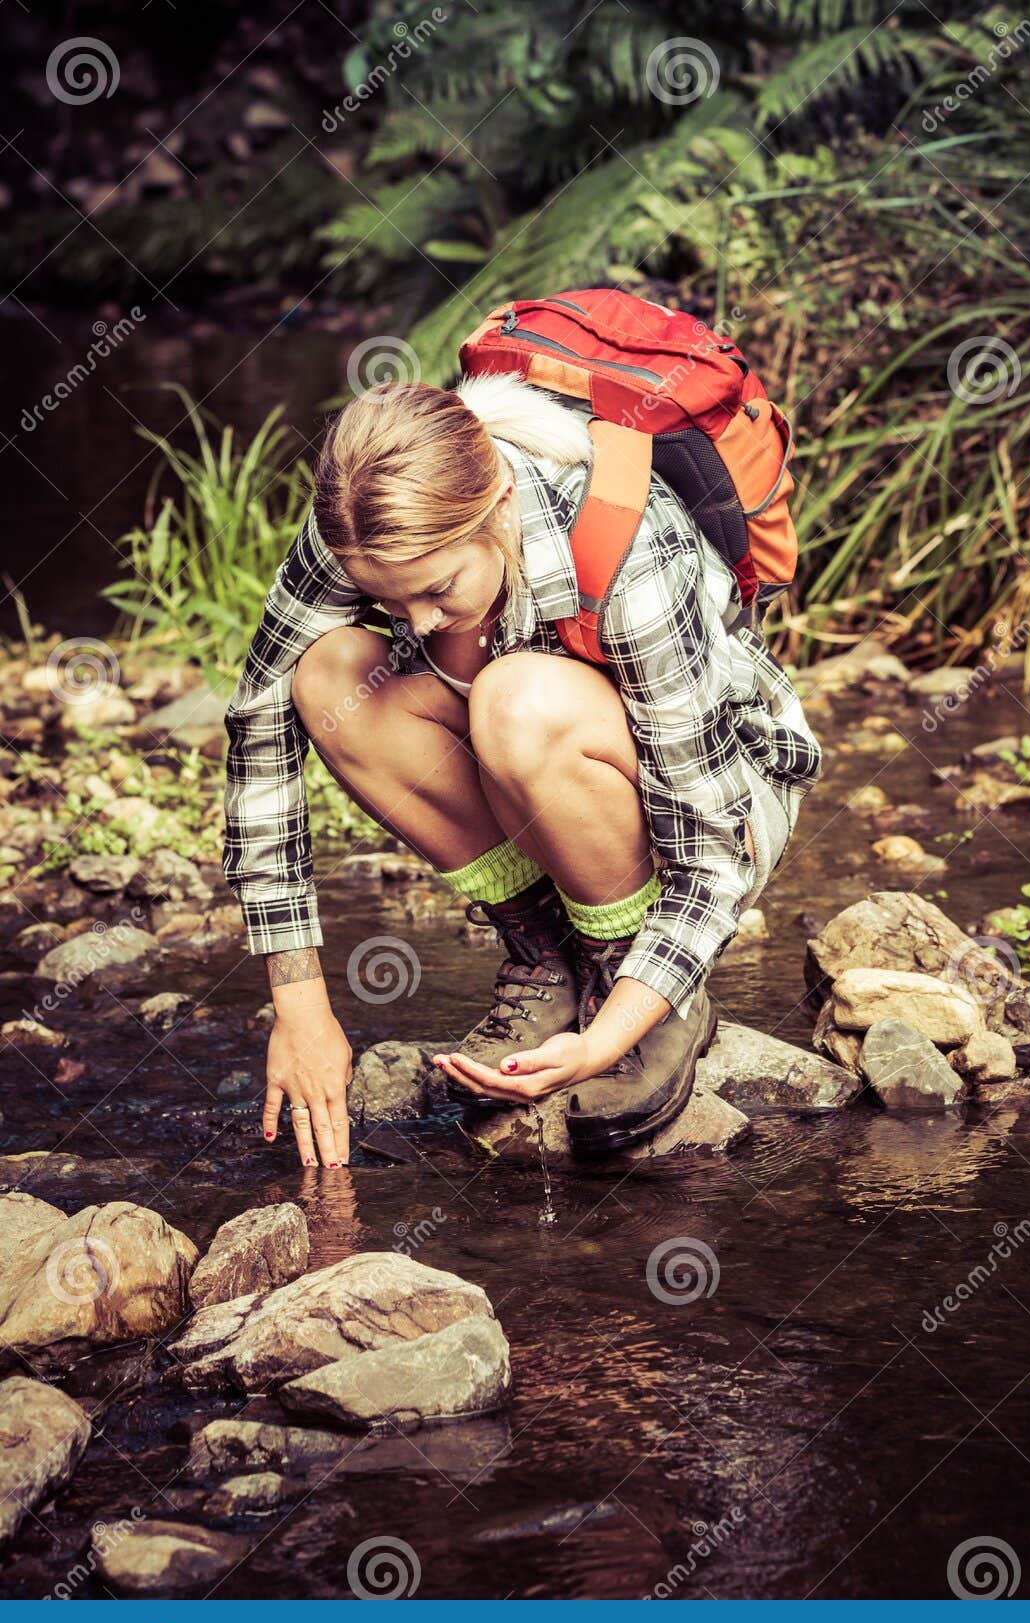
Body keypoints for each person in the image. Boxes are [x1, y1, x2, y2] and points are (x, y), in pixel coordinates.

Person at [222, 370, 822, 1165]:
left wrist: (608, 1039)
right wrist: (298, 1002)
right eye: (391, 605)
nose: (417, 624)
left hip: (723, 792)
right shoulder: (368, 522)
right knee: (328, 676)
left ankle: (632, 977)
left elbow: (712, 853)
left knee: (516, 698)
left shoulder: (630, 547)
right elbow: (258, 724)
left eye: (438, 591)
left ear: (499, 504)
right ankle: (548, 956)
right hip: (535, 752)